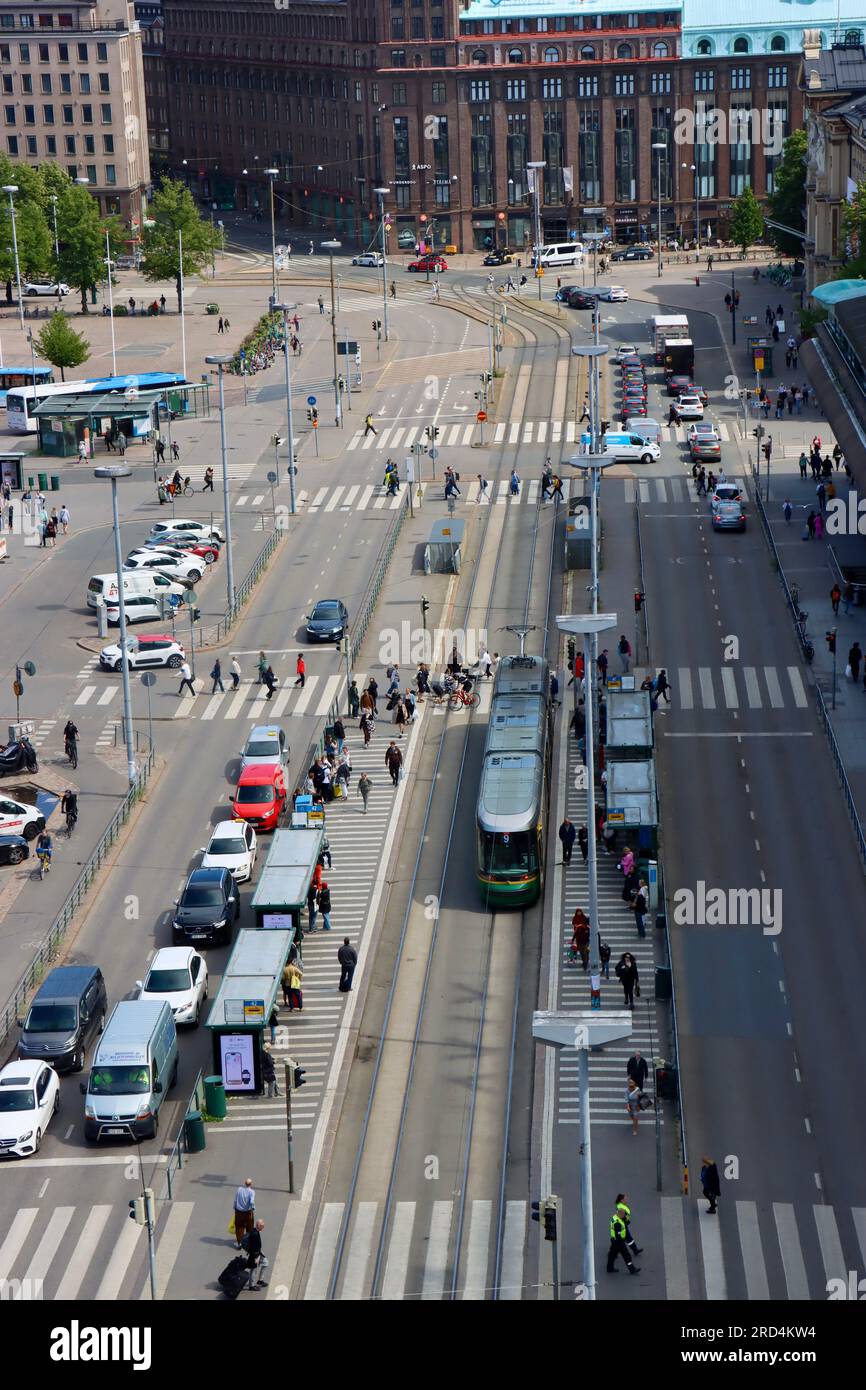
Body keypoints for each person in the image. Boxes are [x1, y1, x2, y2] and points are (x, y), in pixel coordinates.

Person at [607, 1205, 640, 1275]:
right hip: (618, 1241)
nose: (624, 1216)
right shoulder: (617, 1224)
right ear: (620, 1214)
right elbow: (618, 1234)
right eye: (623, 1214)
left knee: (612, 1255)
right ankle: (632, 1269)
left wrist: (624, 1219)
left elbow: (626, 1222)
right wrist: (622, 1242)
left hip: (614, 1240)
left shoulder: (615, 1217)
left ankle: (609, 1268)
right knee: (626, 1255)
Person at [241, 1219, 268, 1289]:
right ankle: (252, 1286)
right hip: (255, 1254)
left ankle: (260, 1280)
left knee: (265, 1263)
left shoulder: (254, 1230)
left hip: (258, 1252)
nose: (263, 1227)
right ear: (258, 1226)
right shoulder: (255, 1234)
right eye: (262, 1226)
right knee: (254, 1269)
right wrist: (256, 1257)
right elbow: (253, 1247)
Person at [232, 1179, 256, 1248]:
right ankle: (248, 1242)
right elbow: (251, 1202)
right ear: (251, 1184)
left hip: (239, 1212)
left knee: (239, 1227)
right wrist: (253, 1207)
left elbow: (235, 1199)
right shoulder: (252, 1192)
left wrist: (234, 1207)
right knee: (249, 1227)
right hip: (247, 1212)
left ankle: (239, 1243)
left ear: (245, 1183)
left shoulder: (239, 1189)